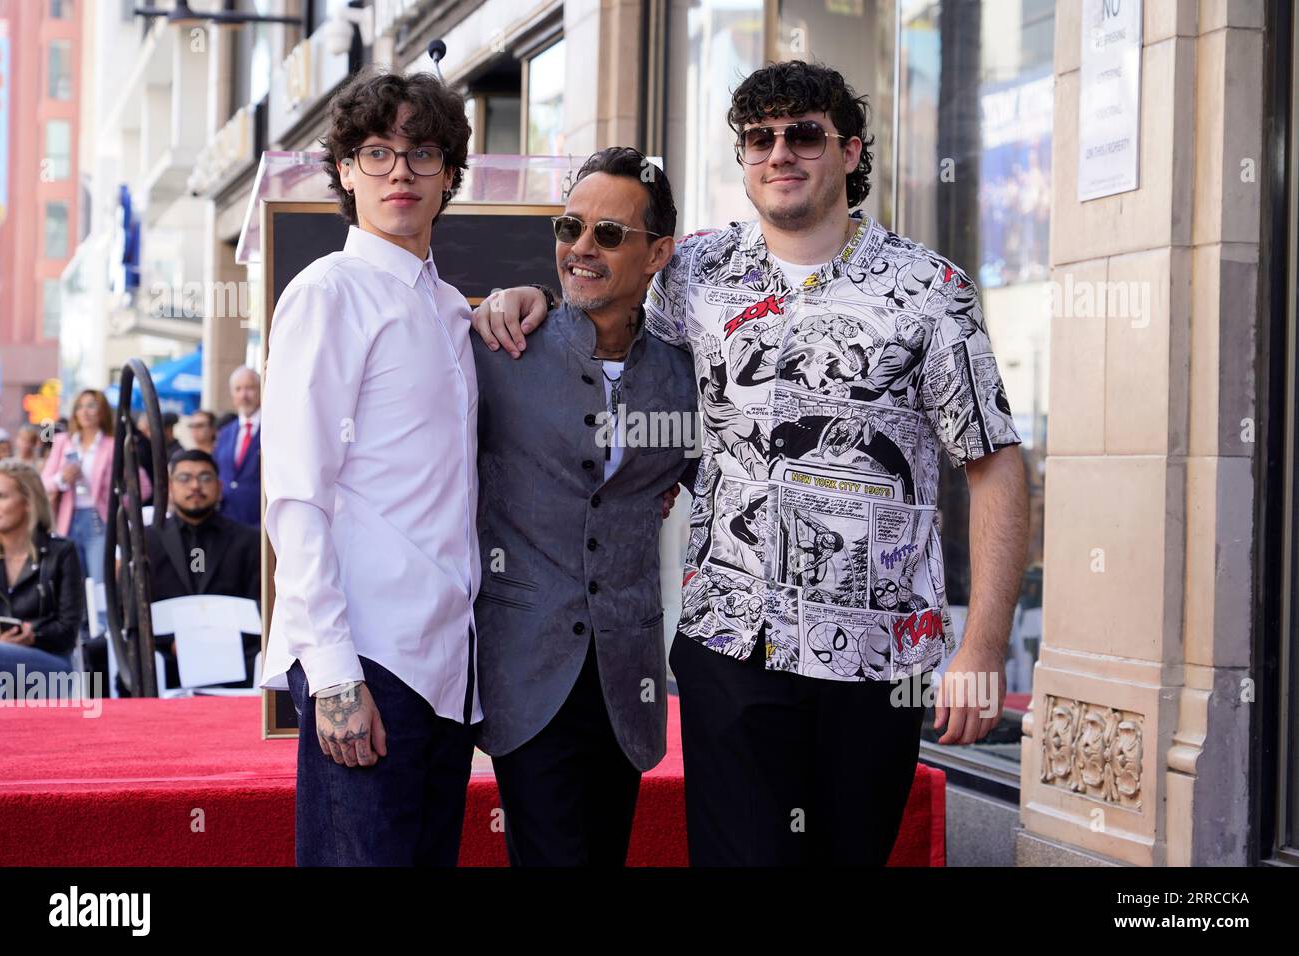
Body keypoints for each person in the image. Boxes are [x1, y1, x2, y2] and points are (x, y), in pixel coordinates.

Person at [472, 60, 1029, 866]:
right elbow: (603, 309)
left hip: (879, 658)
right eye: (759, 138)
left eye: (804, 134)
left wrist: (981, 648)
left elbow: (993, 463)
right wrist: (519, 298)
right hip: (730, 646)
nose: (780, 154)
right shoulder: (694, 270)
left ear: (850, 152)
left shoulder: (931, 290)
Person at [259, 68, 480, 867]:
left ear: (450, 173)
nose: (400, 171)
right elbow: (295, 496)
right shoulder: (329, 293)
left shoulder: (452, 308)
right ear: (345, 170)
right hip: (368, 658)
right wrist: (333, 675)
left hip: (444, 662)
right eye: (376, 152)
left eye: (422, 152)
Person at [473, 147, 696, 866]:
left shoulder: (683, 372)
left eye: (608, 235)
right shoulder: (500, 346)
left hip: (625, 672)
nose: (581, 249)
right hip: (528, 663)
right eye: (570, 228)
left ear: (657, 252)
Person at [144, 449, 261, 688]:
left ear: (219, 487)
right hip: (167, 655)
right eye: (184, 478)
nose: (195, 486)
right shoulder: (147, 541)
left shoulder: (248, 540)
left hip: (237, 654)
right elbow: (135, 605)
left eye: (205, 478)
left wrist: (222, 639)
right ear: (169, 487)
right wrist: (173, 641)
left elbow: (261, 603)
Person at [40, 389, 151, 587]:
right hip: (67, 520)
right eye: (80, 406)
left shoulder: (114, 444)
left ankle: (101, 620)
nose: (85, 411)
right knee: (71, 585)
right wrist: (62, 479)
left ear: (102, 411)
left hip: (99, 520)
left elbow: (143, 486)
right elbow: (44, 482)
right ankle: (79, 620)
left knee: (100, 585)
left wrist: (117, 504)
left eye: (91, 405)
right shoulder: (63, 442)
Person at [0, 460, 85, 693]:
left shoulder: (61, 552)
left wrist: (31, 635)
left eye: (1, 496)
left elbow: (68, 631)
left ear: (28, 502)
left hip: (51, 662)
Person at [213, 367, 261, 527]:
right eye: (238, 389)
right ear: (232, 395)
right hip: (226, 522)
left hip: (258, 525)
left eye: (250, 388)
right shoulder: (225, 433)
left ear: (261, 390)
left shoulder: (273, 430)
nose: (244, 395)